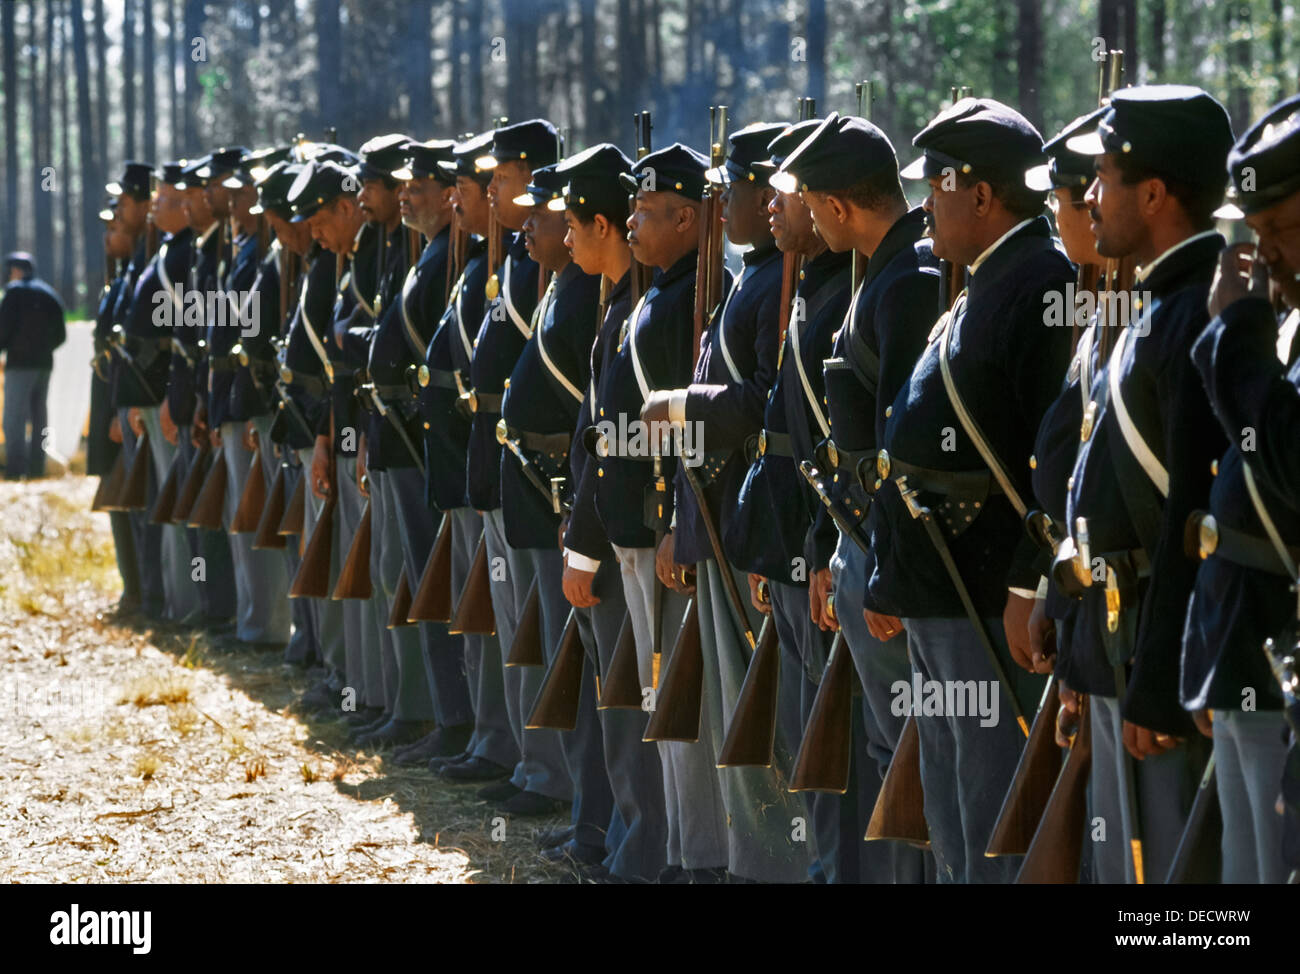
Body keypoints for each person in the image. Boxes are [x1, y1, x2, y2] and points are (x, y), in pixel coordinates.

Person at [871, 97, 1071, 882]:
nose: (925, 203)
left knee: (991, 801)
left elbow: (1051, 454)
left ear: (981, 194)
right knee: (953, 798)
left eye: (939, 185)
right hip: (941, 581)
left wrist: (1029, 579)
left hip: (988, 587)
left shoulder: (1040, 281)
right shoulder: (986, 279)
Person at [1059, 84, 1234, 883]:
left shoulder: (1191, 314)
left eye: (1103, 176)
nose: (1089, 195)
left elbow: (1191, 519)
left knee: (1168, 885)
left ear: (1156, 193)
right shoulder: (1154, 303)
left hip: (1155, 654)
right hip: (1118, 641)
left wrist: (1161, 676)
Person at [643, 121, 813, 884]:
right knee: (731, 705)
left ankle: (771, 864)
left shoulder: (786, 280)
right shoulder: (753, 277)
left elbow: (765, 404)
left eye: (740, 190)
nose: (737, 205)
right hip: (720, 514)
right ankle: (746, 860)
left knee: (760, 712)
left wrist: (684, 404)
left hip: (751, 516)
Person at [1182, 92, 1300, 883]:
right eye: (1257, 236)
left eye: (1282, 232)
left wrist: (1238, 336)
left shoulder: (1265, 328)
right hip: (1253, 643)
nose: (1268, 260)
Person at [558, 141, 670, 882]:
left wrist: (585, 544)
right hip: (610, 530)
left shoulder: (648, 313)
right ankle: (627, 843)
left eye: (574, 226)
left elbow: (622, 443)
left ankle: (643, 852)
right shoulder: (624, 307)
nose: (566, 243)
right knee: (618, 703)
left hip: (630, 533)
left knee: (636, 707)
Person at [0, 252, 65, 479]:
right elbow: (61, 335)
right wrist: (43, 350)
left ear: (16, 270)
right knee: (39, 415)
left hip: (19, 364)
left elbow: (3, 329)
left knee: (14, 418)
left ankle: (15, 469)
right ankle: (37, 468)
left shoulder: (14, 292)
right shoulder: (50, 294)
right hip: (44, 364)